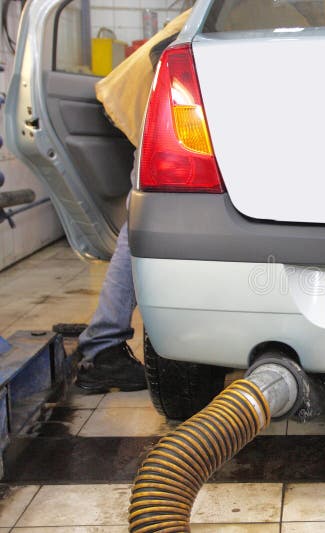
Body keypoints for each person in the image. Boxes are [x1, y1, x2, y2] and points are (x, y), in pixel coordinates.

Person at [75, 11, 191, 393]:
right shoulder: (245, 10)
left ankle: (102, 342)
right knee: (140, 228)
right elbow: (163, 54)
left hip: (159, 120)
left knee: (138, 227)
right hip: (163, 124)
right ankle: (103, 346)